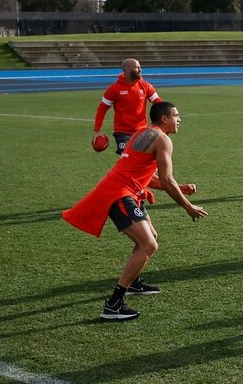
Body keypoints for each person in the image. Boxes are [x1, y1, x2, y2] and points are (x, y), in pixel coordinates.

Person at [63, 102, 208, 320]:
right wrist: (187, 207)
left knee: (151, 237)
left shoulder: (143, 132)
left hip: (126, 190)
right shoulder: (163, 140)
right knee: (148, 244)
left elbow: (146, 176)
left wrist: (182, 188)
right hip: (120, 194)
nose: (179, 120)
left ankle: (134, 283)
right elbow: (167, 180)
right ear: (164, 119)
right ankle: (113, 305)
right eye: (176, 115)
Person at [93, 58, 163, 156]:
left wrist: (162, 120)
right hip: (122, 133)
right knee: (128, 158)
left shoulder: (146, 86)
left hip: (142, 131)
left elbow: (158, 103)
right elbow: (102, 109)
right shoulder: (114, 89)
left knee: (142, 159)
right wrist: (97, 130)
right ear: (128, 69)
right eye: (137, 67)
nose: (140, 70)